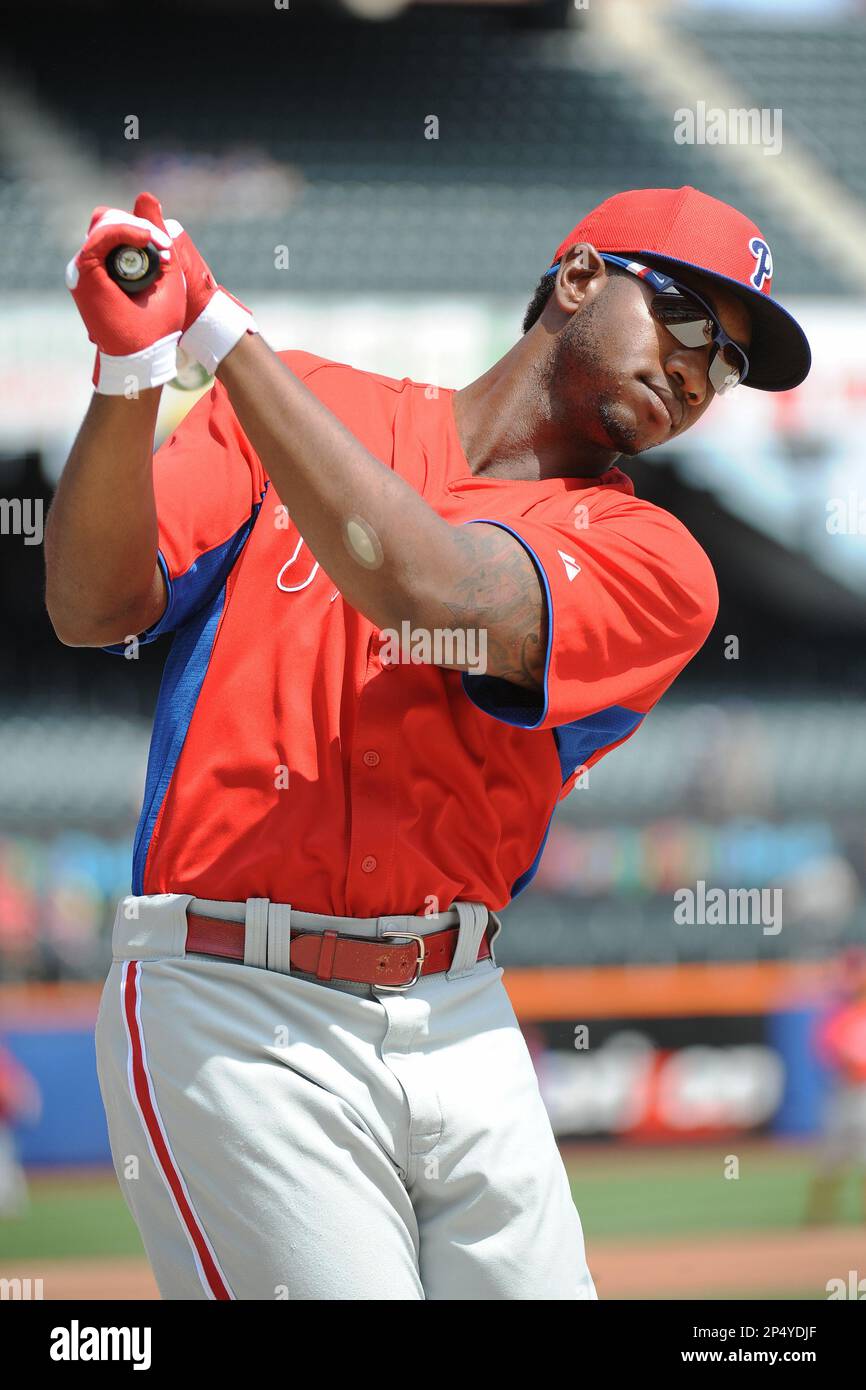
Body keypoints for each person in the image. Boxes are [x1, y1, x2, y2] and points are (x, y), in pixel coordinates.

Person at [45, 185, 811, 1299]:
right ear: (580, 276)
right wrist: (128, 378)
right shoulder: (307, 400)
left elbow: (430, 590)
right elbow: (91, 603)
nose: (699, 372)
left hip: (460, 1015)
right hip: (233, 1000)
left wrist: (220, 334)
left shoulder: (660, 561)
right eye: (688, 317)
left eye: (729, 363)